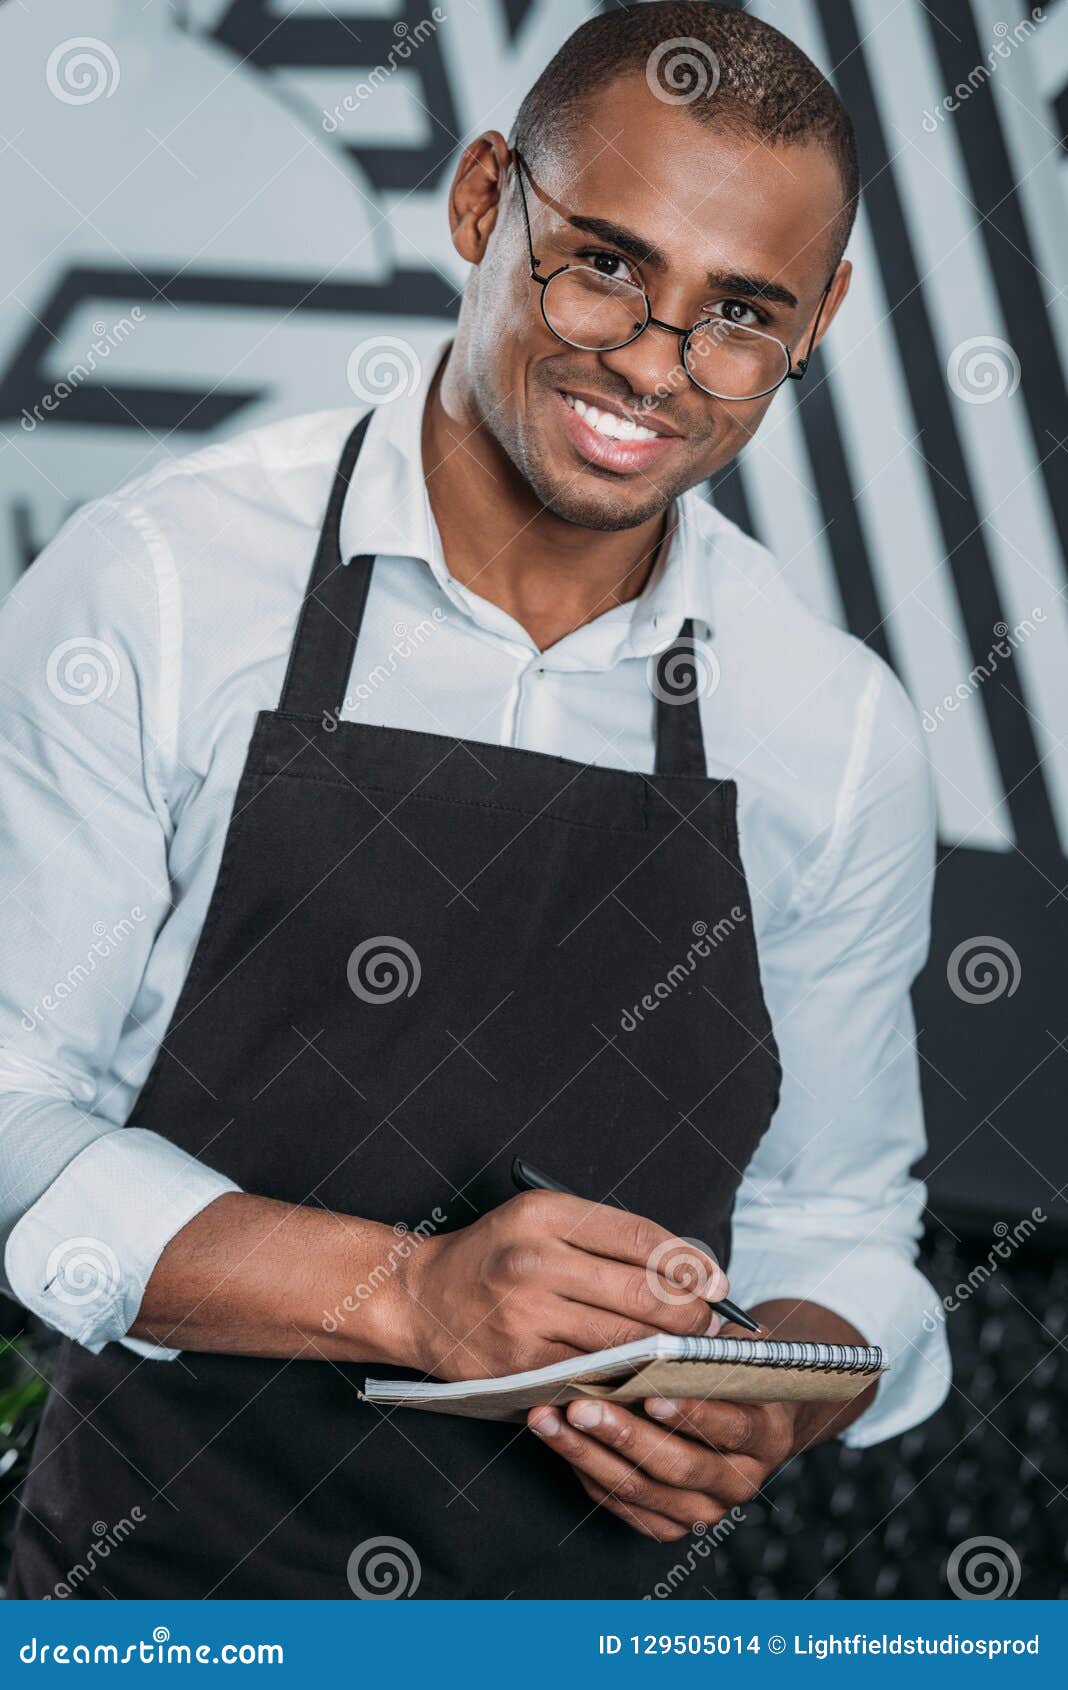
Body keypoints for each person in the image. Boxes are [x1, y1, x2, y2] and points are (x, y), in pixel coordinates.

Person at [0, 3, 949, 1598]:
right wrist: (409, 1292)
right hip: (158, 1591)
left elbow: (841, 1220)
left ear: (821, 321)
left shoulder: (835, 730)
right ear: (481, 196)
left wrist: (784, 1384)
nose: (655, 362)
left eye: (739, 314)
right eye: (604, 264)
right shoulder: (158, 589)